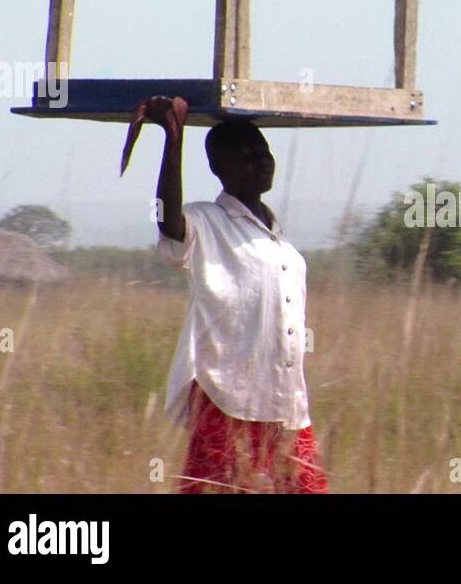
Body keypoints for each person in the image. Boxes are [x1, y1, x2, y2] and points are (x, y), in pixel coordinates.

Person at [136, 96, 327, 494]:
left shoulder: (284, 248)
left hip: (286, 404)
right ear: (218, 167)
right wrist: (173, 140)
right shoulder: (207, 221)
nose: (260, 160)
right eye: (245, 154)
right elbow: (169, 222)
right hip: (226, 397)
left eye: (263, 151)